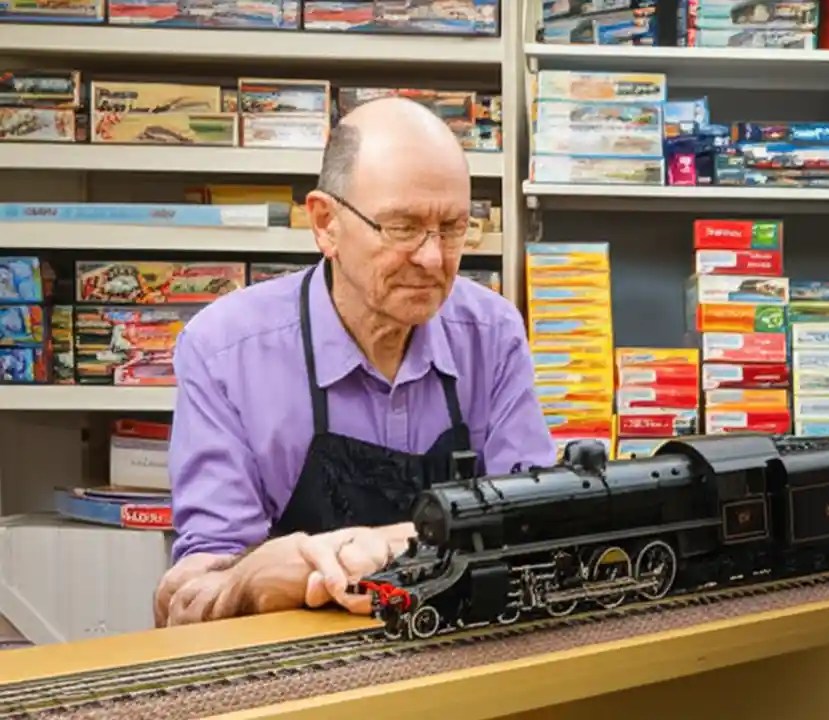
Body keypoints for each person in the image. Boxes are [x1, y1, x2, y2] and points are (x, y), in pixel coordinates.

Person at [154, 98, 558, 627]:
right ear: (326, 223)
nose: (433, 258)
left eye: (454, 227)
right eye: (402, 227)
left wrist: (375, 548)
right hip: (295, 675)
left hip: (458, 651)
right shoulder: (225, 350)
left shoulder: (493, 336)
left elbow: (539, 524)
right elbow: (192, 596)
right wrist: (256, 577)